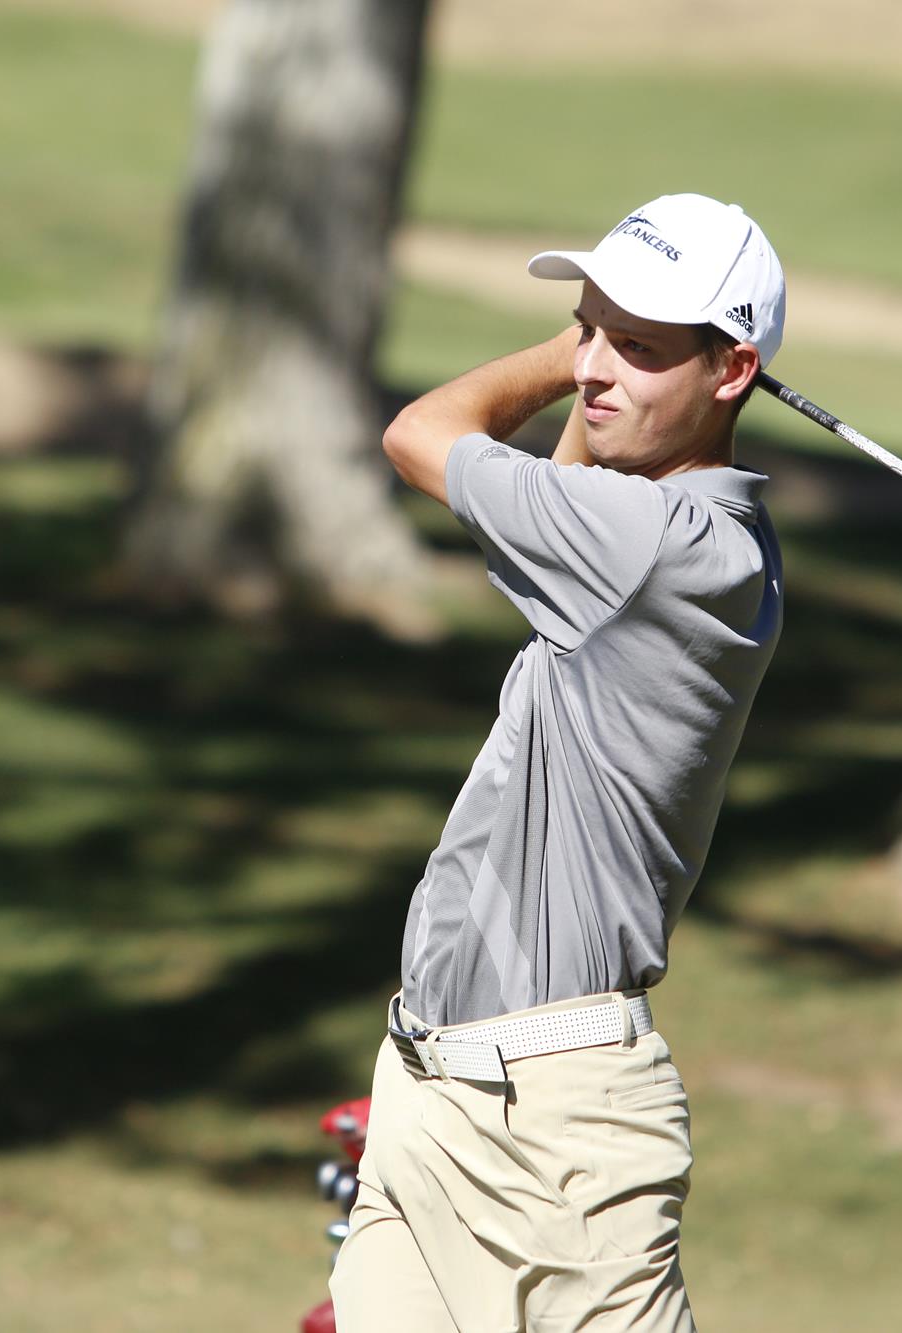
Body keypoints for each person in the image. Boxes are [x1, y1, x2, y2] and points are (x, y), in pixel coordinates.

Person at [329, 193, 788, 1332]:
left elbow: (422, 433)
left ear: (731, 371)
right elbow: (579, 462)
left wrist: (554, 348)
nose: (595, 372)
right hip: (434, 1091)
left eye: (636, 348)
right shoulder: (663, 533)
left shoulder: (654, 550)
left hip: (555, 1127)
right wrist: (612, 345)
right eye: (587, 331)